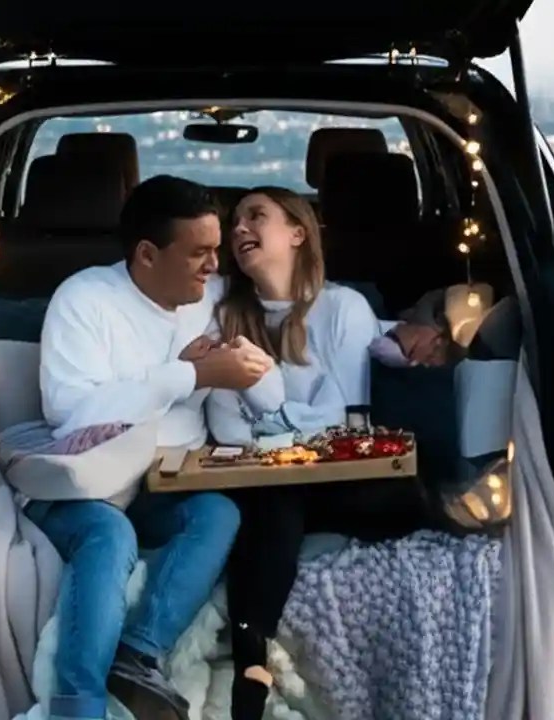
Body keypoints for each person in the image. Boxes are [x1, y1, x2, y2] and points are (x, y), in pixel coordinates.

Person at [32, 175, 273, 720]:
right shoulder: (84, 300)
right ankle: (78, 706)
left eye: (217, 250)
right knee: (110, 534)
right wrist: (184, 375)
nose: (214, 265)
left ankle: (140, 655)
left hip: (168, 486)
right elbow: (70, 416)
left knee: (217, 513)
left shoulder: (208, 299)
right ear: (146, 254)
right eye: (199, 253)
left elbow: (295, 300)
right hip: (88, 486)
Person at [204, 187, 436, 720]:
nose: (239, 228)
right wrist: (290, 426)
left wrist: (270, 414)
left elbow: (347, 425)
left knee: (303, 500)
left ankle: (249, 664)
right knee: (275, 502)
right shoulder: (223, 316)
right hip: (268, 484)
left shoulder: (343, 308)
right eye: (233, 221)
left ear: (297, 233)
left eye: (255, 216)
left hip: (344, 479)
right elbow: (223, 423)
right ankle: (251, 671)